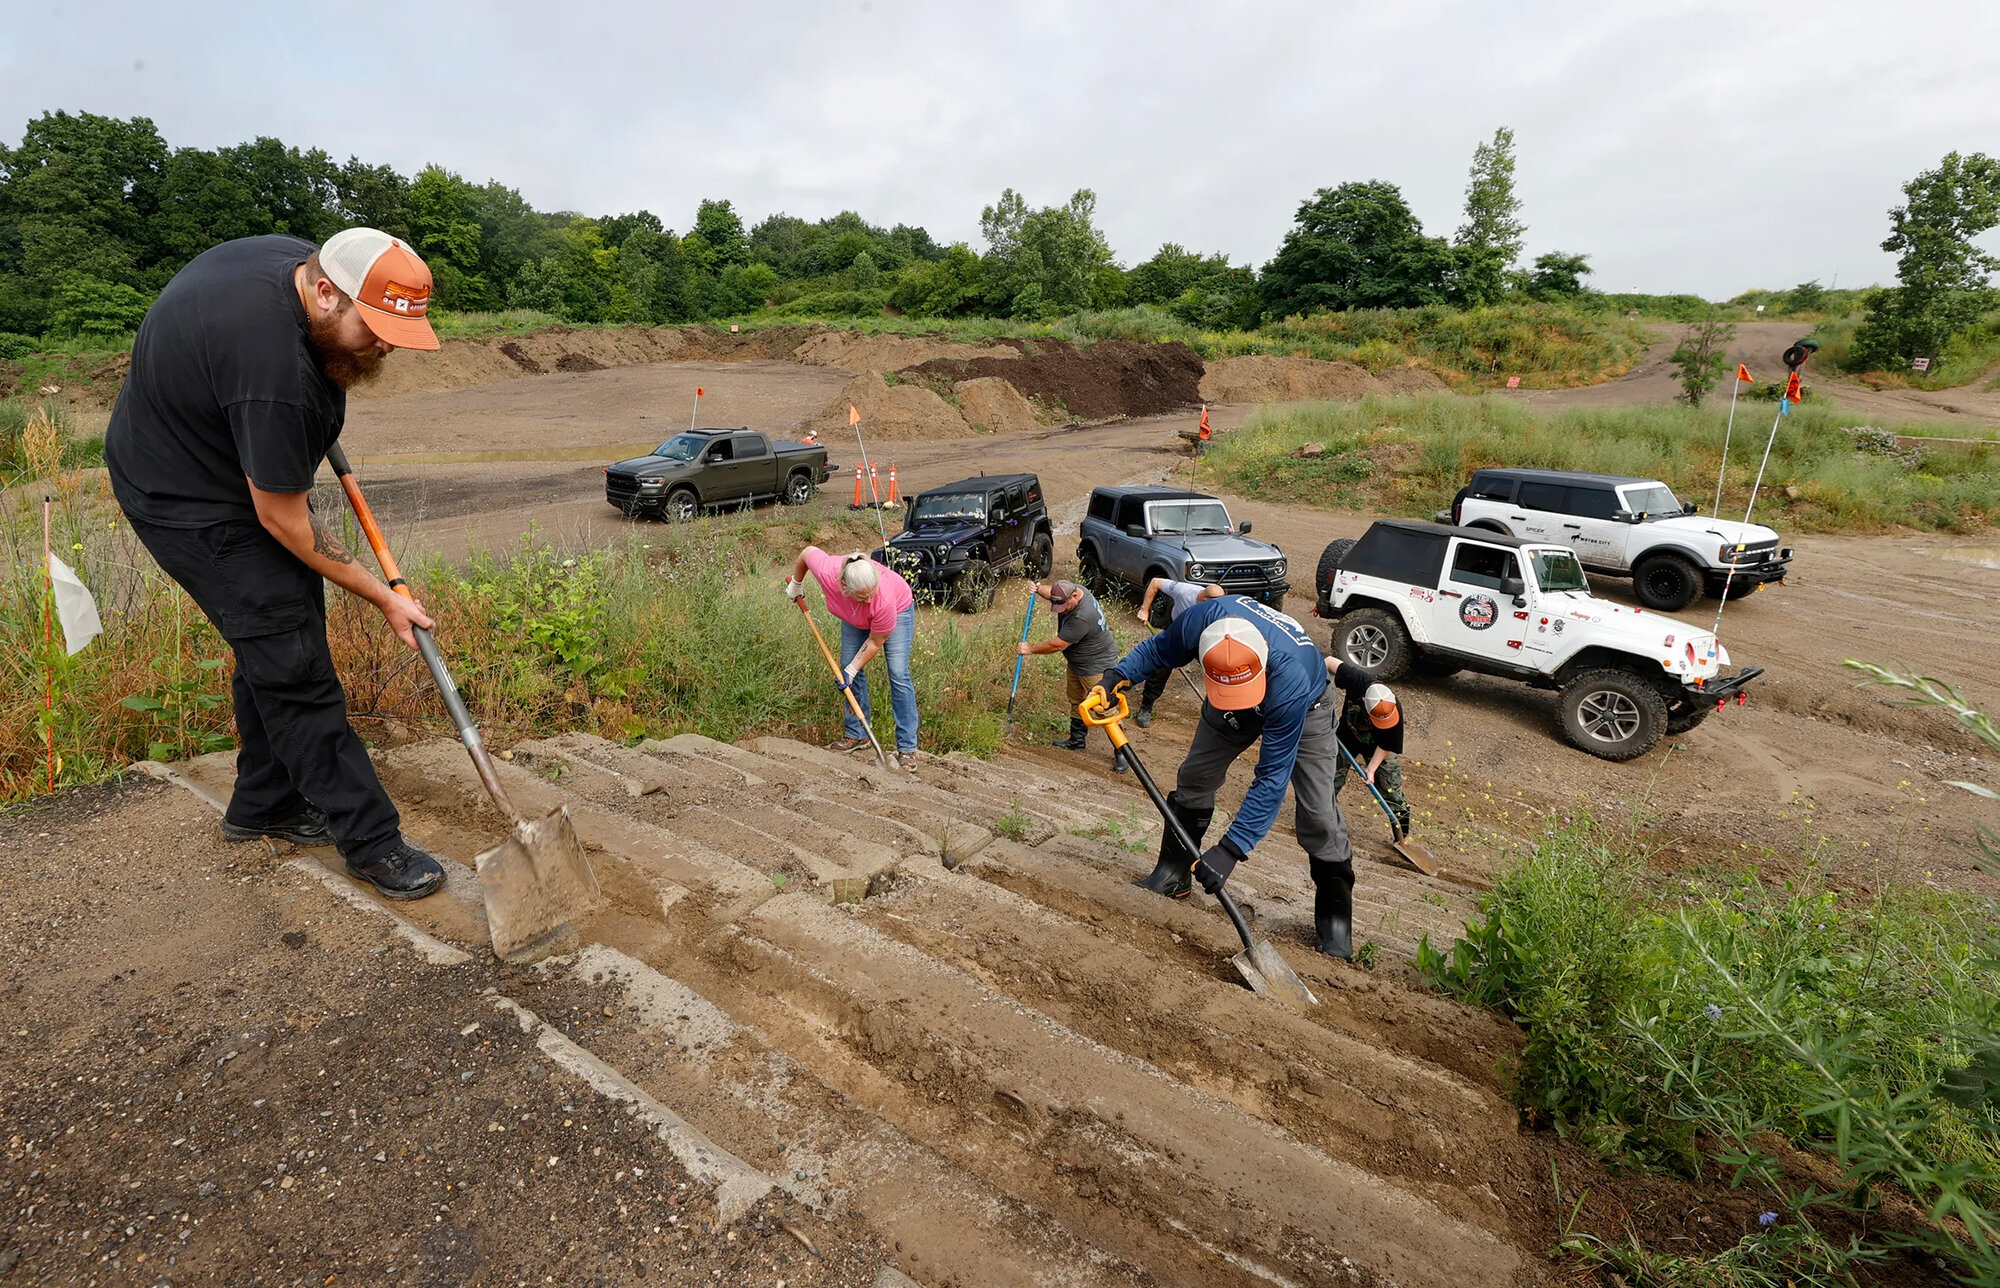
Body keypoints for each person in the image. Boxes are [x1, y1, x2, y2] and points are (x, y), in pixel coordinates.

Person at [103, 229, 447, 899]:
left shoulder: (293, 262)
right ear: (324, 292)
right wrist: (383, 595)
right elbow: (284, 519)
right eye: (373, 329)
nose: (385, 346)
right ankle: (372, 842)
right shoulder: (275, 374)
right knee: (293, 662)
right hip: (187, 498)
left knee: (278, 639)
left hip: (223, 456)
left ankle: (266, 804)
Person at [1100, 597, 1359, 959]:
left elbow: (1271, 778)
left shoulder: (1291, 677)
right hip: (1233, 692)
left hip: (1306, 707)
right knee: (1195, 776)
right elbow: (1159, 649)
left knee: (1317, 813)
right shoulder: (1203, 620)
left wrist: (1230, 850)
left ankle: (1335, 924)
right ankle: (1172, 874)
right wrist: (1117, 676)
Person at [788, 547, 919, 770]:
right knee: (846, 667)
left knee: (897, 673)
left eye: (871, 593)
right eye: (863, 596)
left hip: (897, 609)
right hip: (853, 617)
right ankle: (858, 735)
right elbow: (806, 553)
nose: (869, 599)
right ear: (844, 587)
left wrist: (853, 669)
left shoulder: (883, 599)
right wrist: (797, 583)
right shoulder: (829, 572)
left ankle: (907, 748)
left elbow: (875, 642)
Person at [1019, 579, 1125, 772]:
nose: (1061, 610)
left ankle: (1122, 752)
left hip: (1097, 665)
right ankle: (1077, 740)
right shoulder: (1075, 591)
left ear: (1074, 597)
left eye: (1063, 606)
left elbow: (1058, 645)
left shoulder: (1082, 617)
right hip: (1079, 662)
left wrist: (1031, 649)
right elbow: (1053, 592)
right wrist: (1038, 589)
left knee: (1104, 707)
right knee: (1076, 699)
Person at [1327, 660, 1410, 833]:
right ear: (1364, 700)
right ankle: (1321, 818)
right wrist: (1318, 687)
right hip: (1347, 736)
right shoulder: (1356, 679)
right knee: (1329, 778)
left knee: (1391, 788)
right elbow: (1327, 661)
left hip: (1377, 746)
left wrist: (1371, 769)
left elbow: (1388, 743)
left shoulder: (1394, 710)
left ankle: (1402, 833)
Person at [1131, 577, 1224, 727]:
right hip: (1177, 632)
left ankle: (1222, 709)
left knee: (1218, 669)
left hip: (1203, 637)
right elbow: (1155, 582)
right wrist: (1144, 609)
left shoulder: (1218, 606)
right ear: (1204, 599)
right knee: (1161, 667)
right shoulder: (1185, 591)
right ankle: (1146, 707)